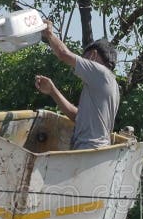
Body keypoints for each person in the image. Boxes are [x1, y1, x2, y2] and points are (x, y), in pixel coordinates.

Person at [34, 20, 119, 150]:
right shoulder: (110, 84)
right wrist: (52, 91)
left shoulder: (100, 72)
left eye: (84, 58)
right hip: (95, 152)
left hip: (88, 149)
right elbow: (77, 117)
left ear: (93, 55)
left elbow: (63, 54)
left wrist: (49, 34)